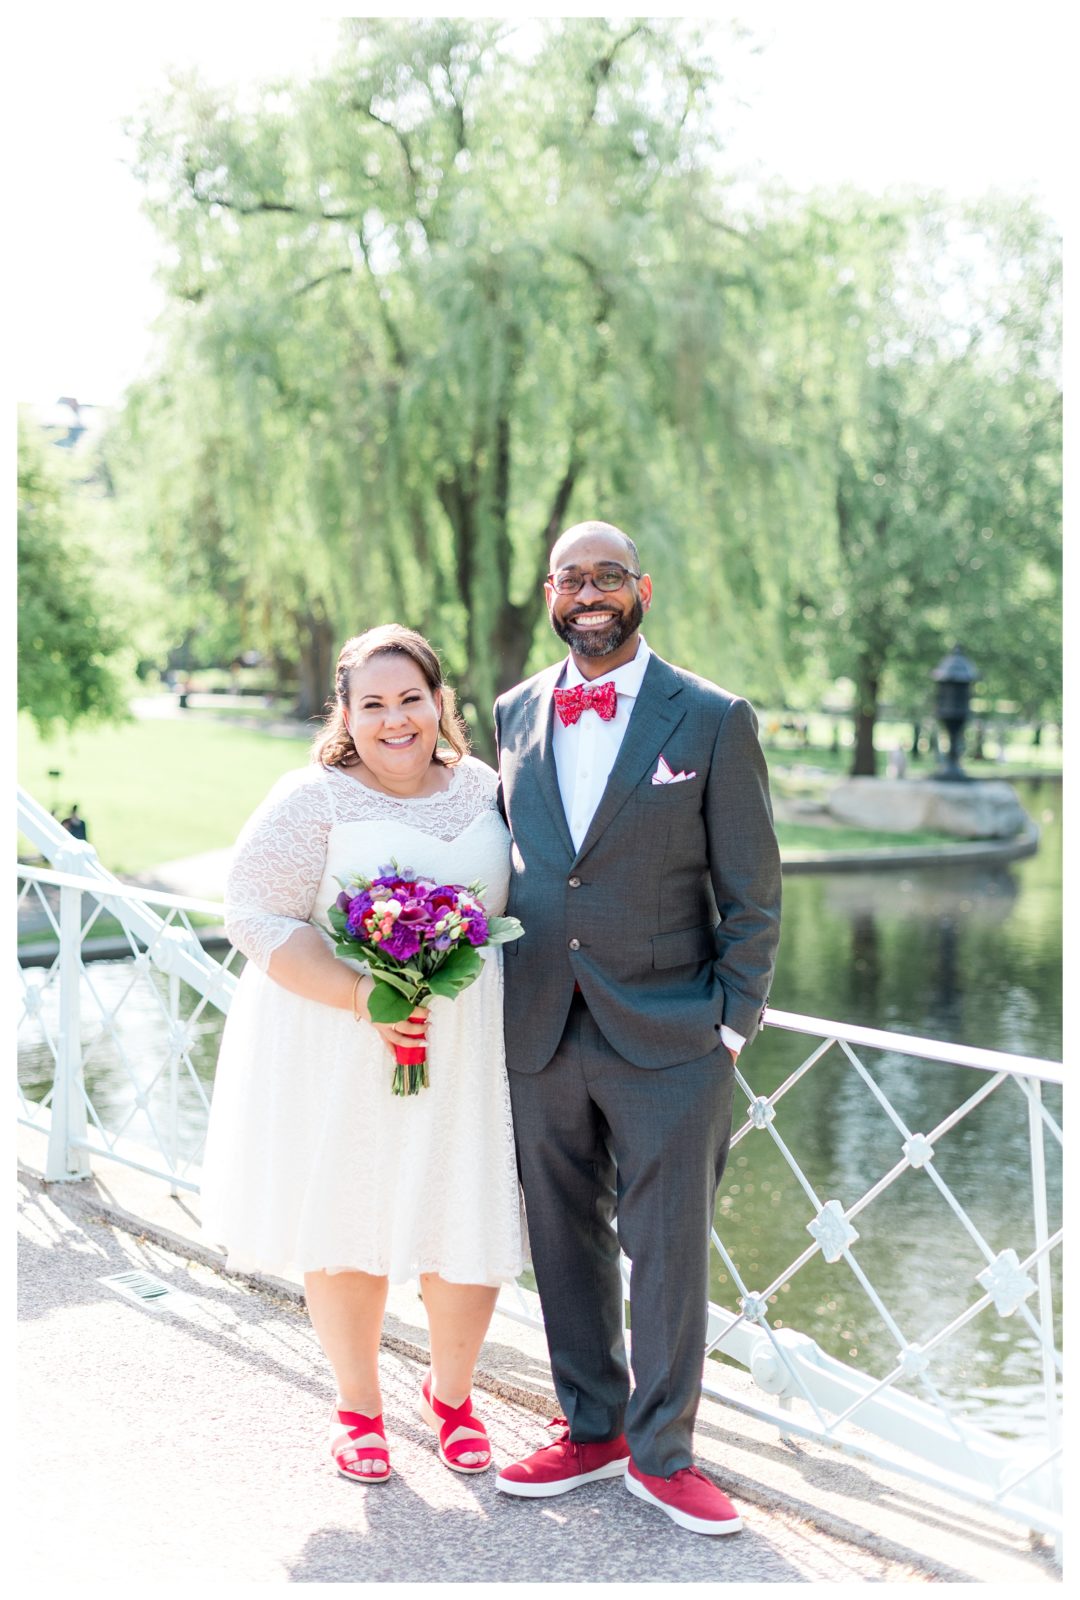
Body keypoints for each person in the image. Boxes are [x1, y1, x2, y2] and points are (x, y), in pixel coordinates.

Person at [493, 521, 781, 1536]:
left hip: (673, 1035)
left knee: (666, 1249)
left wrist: (732, 1028)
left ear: (641, 588)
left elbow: (753, 892)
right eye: (573, 579)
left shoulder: (709, 716)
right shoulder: (514, 710)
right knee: (560, 1240)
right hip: (540, 1023)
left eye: (608, 576)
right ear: (550, 593)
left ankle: (664, 1454)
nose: (591, 594)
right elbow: (529, 862)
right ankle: (591, 1428)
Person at [200, 625, 523, 1484]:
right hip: (344, 1046)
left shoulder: (489, 791)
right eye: (372, 704)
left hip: (462, 1047)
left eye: (411, 698)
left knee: (467, 1209)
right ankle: (359, 1407)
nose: (395, 720)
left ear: (439, 702)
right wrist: (364, 996)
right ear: (345, 712)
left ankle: (451, 1395)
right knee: (347, 1213)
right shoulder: (312, 800)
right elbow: (253, 912)